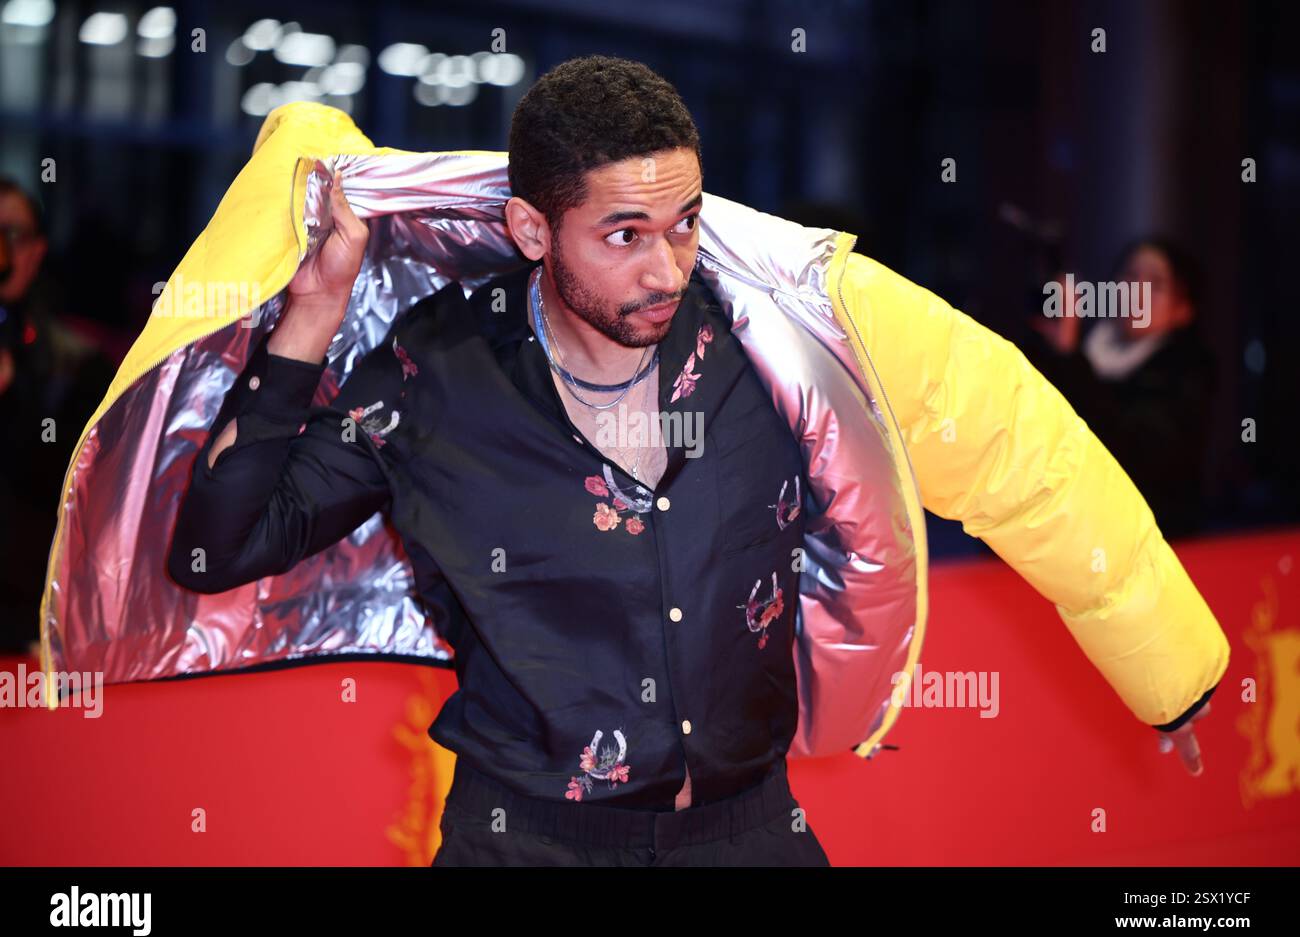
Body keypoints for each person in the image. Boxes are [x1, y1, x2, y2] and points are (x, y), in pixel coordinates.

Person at [153, 58, 1224, 867]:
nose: (666, 265)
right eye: (623, 233)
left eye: (684, 221)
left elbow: (1012, 446)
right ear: (531, 227)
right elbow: (218, 544)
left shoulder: (784, 334)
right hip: (520, 836)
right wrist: (310, 317)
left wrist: (1166, 667)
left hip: (748, 828)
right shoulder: (437, 372)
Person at [1017, 237, 1217, 539]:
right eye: (1130, 276)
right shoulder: (1088, 346)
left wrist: (1071, 357)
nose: (1137, 290)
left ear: (1183, 309)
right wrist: (1055, 351)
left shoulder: (1187, 370)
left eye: (1156, 284)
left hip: (1155, 542)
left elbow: (1130, 452)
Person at [0, 177, 116, 657]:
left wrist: (13, 397)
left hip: (27, 632)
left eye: (11, 235)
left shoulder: (76, 363)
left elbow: (83, 498)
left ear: (36, 250)